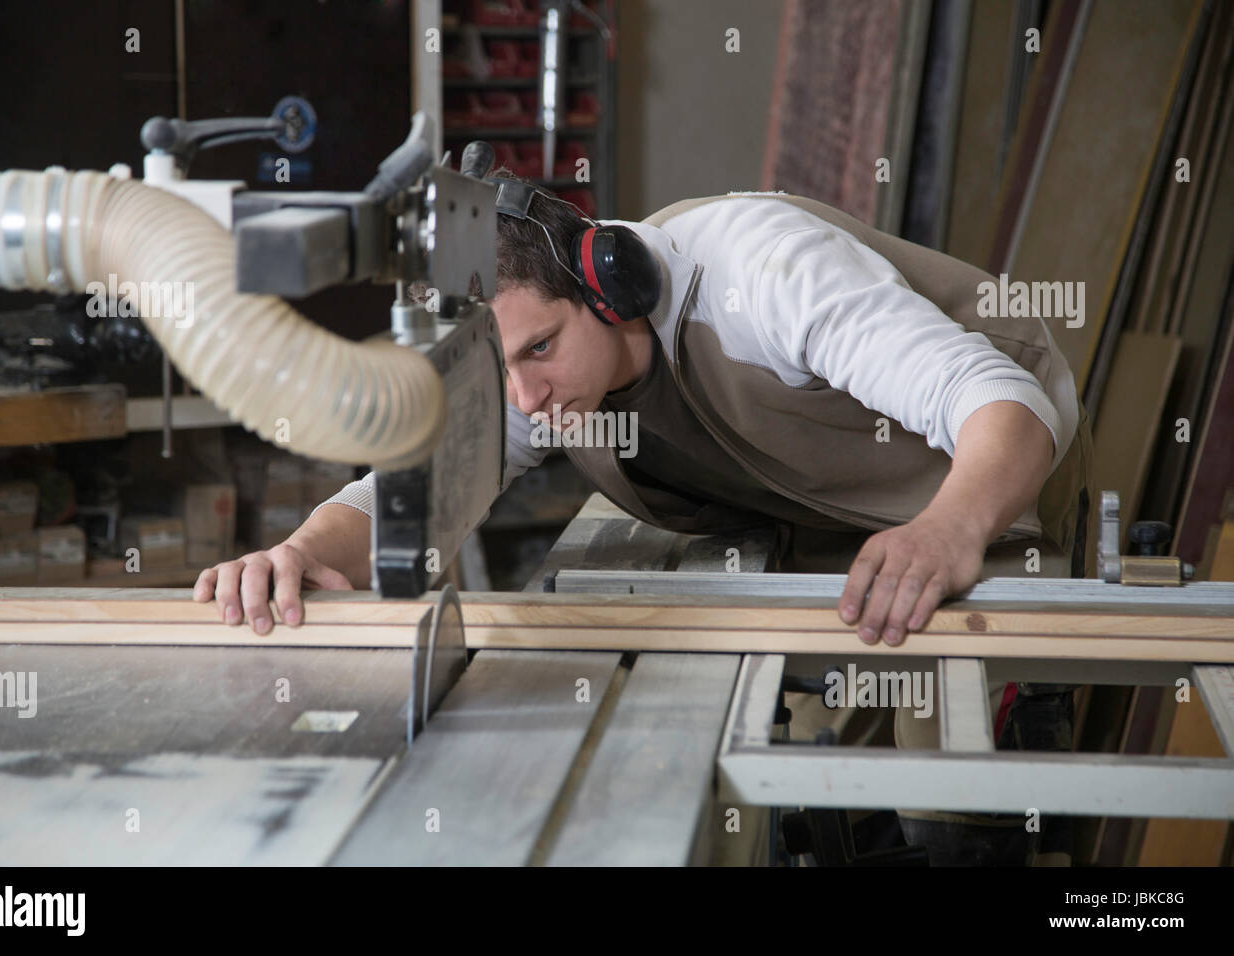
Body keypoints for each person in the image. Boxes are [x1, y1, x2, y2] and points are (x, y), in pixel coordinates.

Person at [194, 168, 1093, 864]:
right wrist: (303, 551)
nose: (526, 395)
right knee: (838, 799)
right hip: (834, 514)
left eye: (541, 350)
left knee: (948, 804)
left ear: (607, 286)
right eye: (505, 367)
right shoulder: (527, 367)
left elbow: (997, 402)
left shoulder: (762, 272)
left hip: (985, 484)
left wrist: (949, 529)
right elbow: (415, 497)